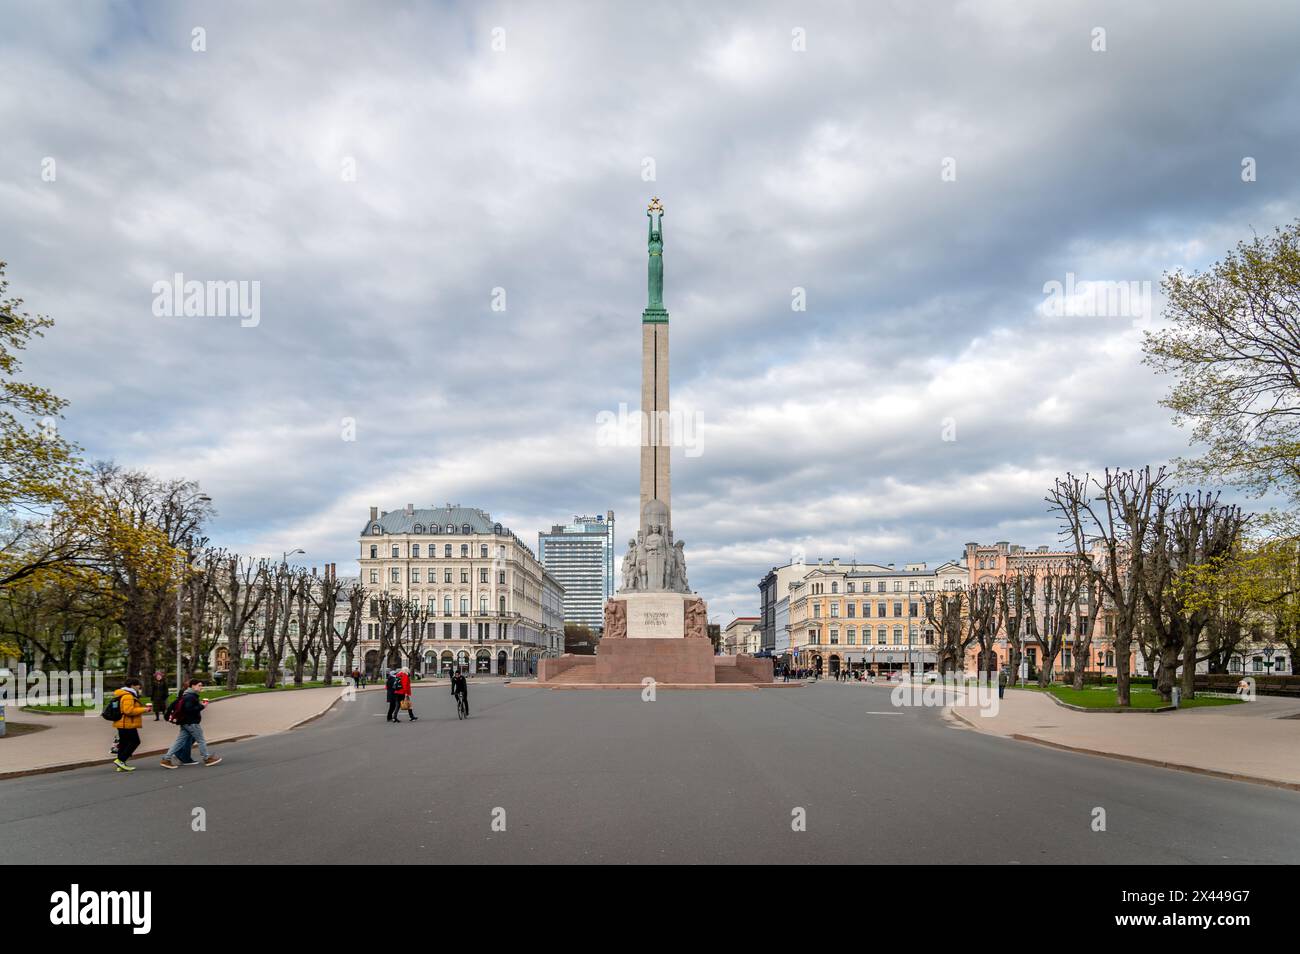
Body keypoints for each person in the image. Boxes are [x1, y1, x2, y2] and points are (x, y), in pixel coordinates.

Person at [160, 679, 222, 768]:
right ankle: (207, 758)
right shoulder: (191, 697)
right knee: (201, 740)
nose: (201, 687)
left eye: (201, 685)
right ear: (193, 686)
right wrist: (202, 706)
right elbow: (189, 709)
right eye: (199, 685)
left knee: (179, 742)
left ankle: (166, 759)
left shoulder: (186, 695)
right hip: (192, 723)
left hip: (185, 723)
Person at [110, 678, 152, 772]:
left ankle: (120, 765)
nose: (139, 687)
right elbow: (128, 711)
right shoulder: (128, 696)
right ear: (132, 685)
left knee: (124, 743)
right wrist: (144, 709)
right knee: (135, 741)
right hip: (127, 723)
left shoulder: (123, 694)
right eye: (138, 685)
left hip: (121, 723)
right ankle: (120, 760)